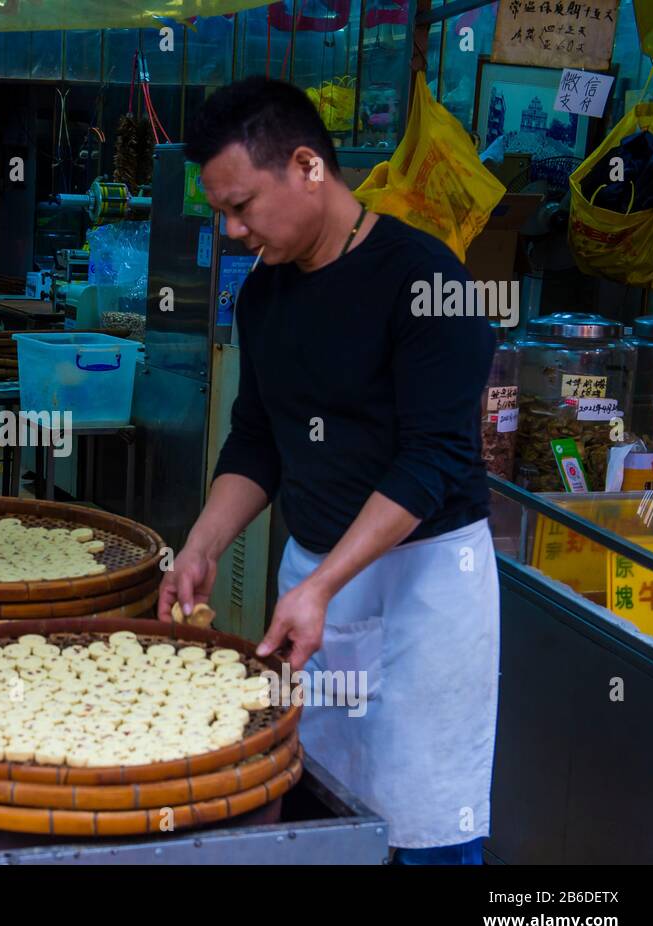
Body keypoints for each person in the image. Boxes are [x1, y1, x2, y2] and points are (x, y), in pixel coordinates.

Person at [158, 78, 498, 865]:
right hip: (317, 577)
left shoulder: (427, 281)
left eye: (243, 206)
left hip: (423, 586)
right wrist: (204, 544)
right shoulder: (266, 294)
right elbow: (257, 440)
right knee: (319, 815)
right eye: (222, 214)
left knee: (425, 830)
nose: (234, 230)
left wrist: (320, 585)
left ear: (308, 166)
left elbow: (434, 459)